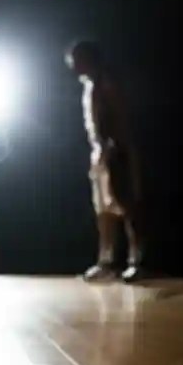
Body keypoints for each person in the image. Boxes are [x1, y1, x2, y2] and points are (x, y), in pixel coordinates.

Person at [66, 40, 144, 282]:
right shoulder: (89, 85)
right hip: (99, 152)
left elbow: (120, 116)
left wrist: (116, 146)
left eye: (77, 59)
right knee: (103, 210)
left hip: (116, 151)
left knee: (127, 206)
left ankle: (137, 260)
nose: (72, 65)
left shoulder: (107, 82)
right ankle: (106, 261)